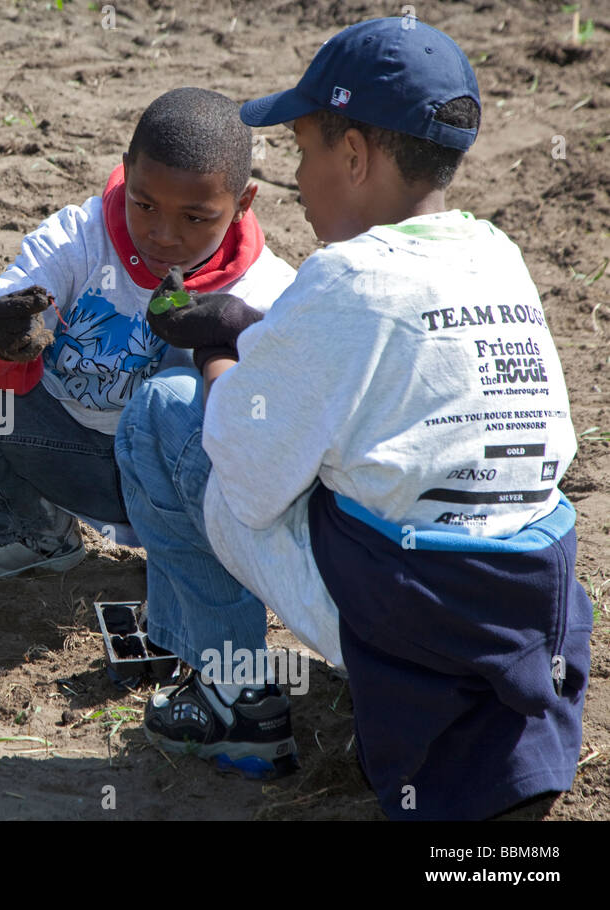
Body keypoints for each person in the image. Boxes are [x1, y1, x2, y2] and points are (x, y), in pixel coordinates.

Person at [119, 18, 593, 819]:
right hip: (526, 611)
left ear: (354, 155)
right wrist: (247, 325)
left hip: (421, 614)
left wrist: (213, 356)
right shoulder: (493, 253)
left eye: (304, 150)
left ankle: (236, 700)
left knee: (167, 416)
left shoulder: (349, 275)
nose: (301, 179)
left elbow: (249, 476)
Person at [0, 87, 296, 594]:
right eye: (144, 204)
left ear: (242, 203)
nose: (163, 234)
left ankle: (194, 567)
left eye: (195, 218)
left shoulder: (266, 289)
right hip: (65, 448)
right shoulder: (78, 238)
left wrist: (235, 331)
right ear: (126, 173)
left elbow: (282, 429)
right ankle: (26, 540)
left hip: (174, 481)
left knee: (185, 401)